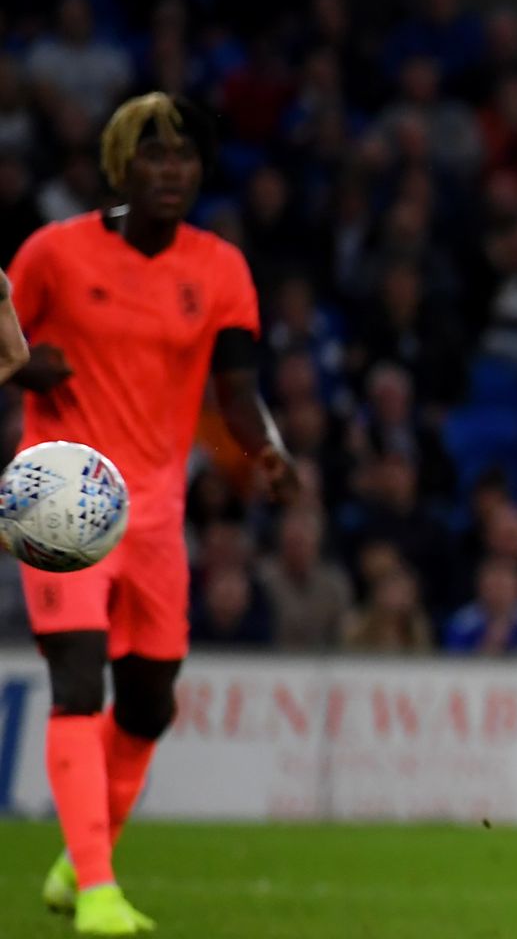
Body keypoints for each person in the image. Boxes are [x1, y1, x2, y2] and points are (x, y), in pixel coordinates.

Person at [7, 92, 299, 936]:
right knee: (77, 683)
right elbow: (2, 341)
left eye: (184, 158)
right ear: (119, 165)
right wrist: (31, 370)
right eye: (153, 156)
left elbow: (237, 393)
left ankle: (77, 864)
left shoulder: (218, 269)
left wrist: (267, 454)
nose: (170, 171)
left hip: (159, 513)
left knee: (148, 704)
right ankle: (99, 894)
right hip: (62, 491)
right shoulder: (54, 254)